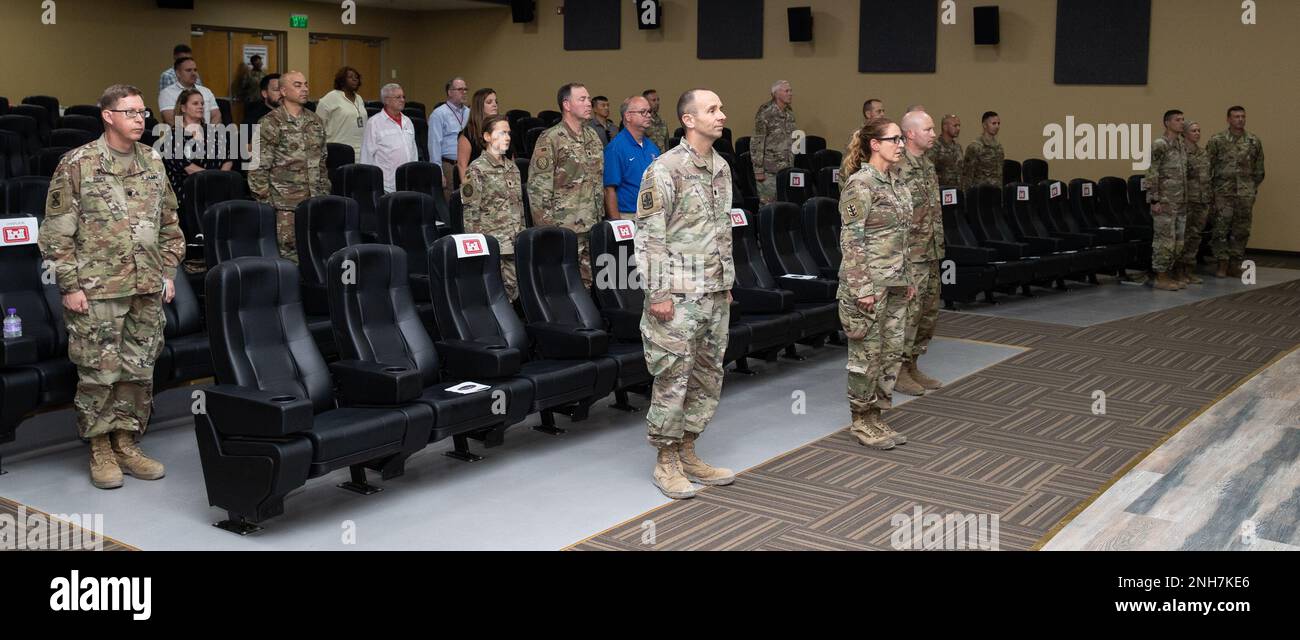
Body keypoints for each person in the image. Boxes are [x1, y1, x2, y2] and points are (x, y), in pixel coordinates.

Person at [39, 84, 185, 489]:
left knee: (138, 369)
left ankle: (127, 441)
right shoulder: (78, 163)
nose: (140, 119)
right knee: (99, 371)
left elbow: (170, 222)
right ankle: (99, 446)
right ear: (108, 115)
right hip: (97, 289)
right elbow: (55, 234)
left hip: (146, 286)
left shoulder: (153, 160)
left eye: (143, 113)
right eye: (131, 112)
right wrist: (69, 285)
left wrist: (168, 272)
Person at [634, 88, 736, 500]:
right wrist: (658, 293)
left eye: (721, 107)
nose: (721, 114)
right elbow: (650, 236)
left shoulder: (722, 167)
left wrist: (726, 284)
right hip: (676, 295)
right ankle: (666, 461)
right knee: (673, 378)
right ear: (688, 120)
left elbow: (724, 232)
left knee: (707, 377)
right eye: (712, 109)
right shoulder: (664, 169)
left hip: (713, 292)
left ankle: (689, 450)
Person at [837, 117, 916, 450]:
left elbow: (903, 236)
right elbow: (851, 240)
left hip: (896, 282)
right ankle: (860, 418)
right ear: (875, 144)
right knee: (866, 354)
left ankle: (876, 414)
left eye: (900, 139)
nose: (900, 144)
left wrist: (909, 277)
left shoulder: (895, 181)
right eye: (894, 139)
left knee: (890, 352)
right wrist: (862, 289)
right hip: (869, 286)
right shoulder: (861, 184)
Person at [526, 82, 606, 289]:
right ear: (567, 105)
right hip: (564, 227)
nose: (589, 103)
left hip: (591, 223)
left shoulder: (593, 137)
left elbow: (597, 180)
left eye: (589, 99)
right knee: (563, 285)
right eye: (582, 99)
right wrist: (549, 231)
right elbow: (537, 188)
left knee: (588, 284)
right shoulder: (551, 138)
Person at [247, 71, 330, 262]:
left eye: (306, 84)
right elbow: (257, 168)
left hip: (314, 203)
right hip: (284, 207)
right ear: (283, 91)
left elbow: (322, 162)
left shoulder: (315, 121)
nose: (305, 89)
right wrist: (267, 207)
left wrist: (323, 193)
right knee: (288, 262)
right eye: (298, 85)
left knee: (315, 257)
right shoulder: (270, 122)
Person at [894, 110, 944, 397]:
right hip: (911, 255)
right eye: (928, 128)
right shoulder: (898, 166)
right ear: (910, 133)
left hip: (931, 250)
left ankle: (912, 364)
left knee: (928, 313)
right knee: (909, 315)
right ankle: (898, 370)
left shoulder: (927, 164)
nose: (933, 133)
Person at [462, 115, 526, 302]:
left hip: (513, 242)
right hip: (492, 243)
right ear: (488, 137)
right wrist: (477, 249)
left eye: (508, 133)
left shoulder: (513, 168)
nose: (507, 137)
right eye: (501, 133)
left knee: (513, 293)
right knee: (494, 295)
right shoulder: (476, 169)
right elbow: (470, 211)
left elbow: (519, 206)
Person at [1207, 105, 1265, 278]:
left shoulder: (1254, 141)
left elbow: (1259, 169)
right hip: (1222, 194)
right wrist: (1211, 192)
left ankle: (1234, 264)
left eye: (1242, 116)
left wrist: (1251, 188)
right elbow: (1207, 167)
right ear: (1228, 119)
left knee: (1241, 230)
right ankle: (1222, 264)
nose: (1240, 119)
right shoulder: (1217, 140)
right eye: (1236, 116)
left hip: (1244, 194)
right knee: (1220, 229)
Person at [161, 89, 234, 213]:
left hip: (219, 188)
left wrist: (221, 178)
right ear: (183, 108)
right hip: (190, 192)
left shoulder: (213, 132)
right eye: (195, 104)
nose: (200, 106)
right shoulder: (173, 137)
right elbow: (188, 168)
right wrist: (215, 179)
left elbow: (228, 158)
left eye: (202, 104)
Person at [1145, 109, 1189, 292]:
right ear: (1167, 123)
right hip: (1164, 202)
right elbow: (1152, 172)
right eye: (1178, 120)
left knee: (1178, 242)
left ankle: (1169, 274)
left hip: (1180, 202)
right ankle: (1160, 278)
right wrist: (1154, 200)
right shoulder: (1159, 144)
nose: (1182, 123)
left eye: (1183, 120)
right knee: (1164, 241)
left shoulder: (1180, 145)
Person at [603, 95, 660, 220]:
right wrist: (618, 225)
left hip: (653, 214)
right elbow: (609, 190)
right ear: (628, 116)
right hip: (628, 215)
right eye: (643, 112)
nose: (649, 115)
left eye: (649, 111)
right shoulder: (616, 148)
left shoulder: (652, 147)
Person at [360, 83, 418, 194]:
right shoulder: (374, 123)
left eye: (403, 97)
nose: (402, 100)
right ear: (386, 100)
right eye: (398, 97)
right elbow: (366, 155)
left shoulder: (408, 121)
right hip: (385, 186)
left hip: (407, 183)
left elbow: (413, 151)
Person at [751, 80, 797, 205]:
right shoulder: (766, 112)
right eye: (787, 91)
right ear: (776, 94)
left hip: (786, 168)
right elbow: (757, 141)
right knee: (768, 205)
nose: (790, 93)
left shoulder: (789, 112)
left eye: (790, 90)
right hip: (769, 170)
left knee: (785, 204)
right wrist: (758, 170)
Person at [1178, 121, 1210, 285]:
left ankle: (1189, 270)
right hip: (1186, 200)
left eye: (1199, 130)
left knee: (1195, 236)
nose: (1197, 133)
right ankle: (1179, 271)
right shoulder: (1180, 152)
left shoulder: (1203, 153)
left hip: (1202, 200)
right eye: (1193, 131)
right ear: (1184, 133)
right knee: (1183, 236)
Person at [428, 77, 470, 195]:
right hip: (449, 166)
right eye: (460, 89)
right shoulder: (438, 114)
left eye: (465, 89)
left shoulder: (469, 113)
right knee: (451, 203)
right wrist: (439, 172)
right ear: (449, 92)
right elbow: (434, 145)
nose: (464, 92)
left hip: (467, 165)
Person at [315, 66, 367, 158]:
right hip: (338, 151)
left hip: (361, 150)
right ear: (342, 80)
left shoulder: (359, 98)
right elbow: (317, 127)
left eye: (356, 77)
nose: (355, 79)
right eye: (350, 77)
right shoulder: (330, 98)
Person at [456, 88, 501, 186]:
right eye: (489, 102)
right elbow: (462, 166)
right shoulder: (468, 134)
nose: (495, 105)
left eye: (496, 102)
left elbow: (510, 161)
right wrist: (470, 192)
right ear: (479, 106)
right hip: (479, 187)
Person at [159, 57, 219, 125]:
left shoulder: (206, 91)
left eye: (195, 70)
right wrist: (188, 133)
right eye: (188, 70)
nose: (193, 73)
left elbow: (216, 116)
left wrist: (208, 132)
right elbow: (170, 118)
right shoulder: (167, 93)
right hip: (181, 133)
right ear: (178, 73)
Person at [962, 111, 1003, 190]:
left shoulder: (999, 147)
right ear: (984, 125)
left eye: (998, 123)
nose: (997, 126)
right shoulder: (975, 146)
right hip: (980, 192)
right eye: (993, 123)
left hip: (996, 191)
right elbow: (968, 174)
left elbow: (999, 174)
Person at [928, 114, 963, 187]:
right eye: (955, 126)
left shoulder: (957, 147)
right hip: (942, 190)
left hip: (957, 190)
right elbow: (929, 171)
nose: (958, 128)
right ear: (945, 127)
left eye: (959, 126)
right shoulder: (935, 147)